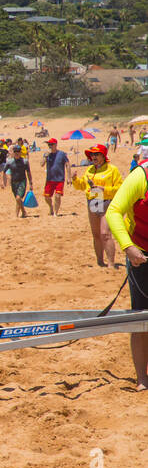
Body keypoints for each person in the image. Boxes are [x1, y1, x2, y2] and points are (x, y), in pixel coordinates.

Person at [105, 147, 148, 388]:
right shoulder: (140, 175)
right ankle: (142, 377)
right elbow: (114, 211)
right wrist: (128, 247)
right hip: (141, 254)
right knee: (142, 318)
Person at [71, 144, 122, 267]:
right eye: (92, 154)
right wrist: (75, 180)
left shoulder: (112, 169)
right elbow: (82, 186)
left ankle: (111, 263)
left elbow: (119, 188)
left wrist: (103, 189)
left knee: (105, 233)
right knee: (96, 234)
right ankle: (100, 261)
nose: (93, 157)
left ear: (103, 156)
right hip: (93, 201)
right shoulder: (89, 170)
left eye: (96, 154)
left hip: (107, 202)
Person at [42, 138, 70, 216]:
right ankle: (51, 207)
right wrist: (45, 157)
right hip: (50, 179)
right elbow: (41, 164)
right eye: (48, 145)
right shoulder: (47, 154)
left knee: (57, 196)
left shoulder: (62, 154)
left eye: (51, 144)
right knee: (47, 197)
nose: (49, 146)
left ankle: (55, 212)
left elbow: (67, 164)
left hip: (59, 179)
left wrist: (69, 177)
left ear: (55, 145)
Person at [4, 144, 33, 218]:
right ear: (13, 152)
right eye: (15, 151)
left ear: (20, 152)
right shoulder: (9, 162)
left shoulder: (25, 161)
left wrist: (30, 183)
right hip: (13, 183)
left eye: (18, 151)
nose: (17, 153)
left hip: (22, 181)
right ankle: (18, 215)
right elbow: (4, 172)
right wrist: (4, 182)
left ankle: (22, 212)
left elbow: (28, 172)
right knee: (17, 199)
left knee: (18, 198)